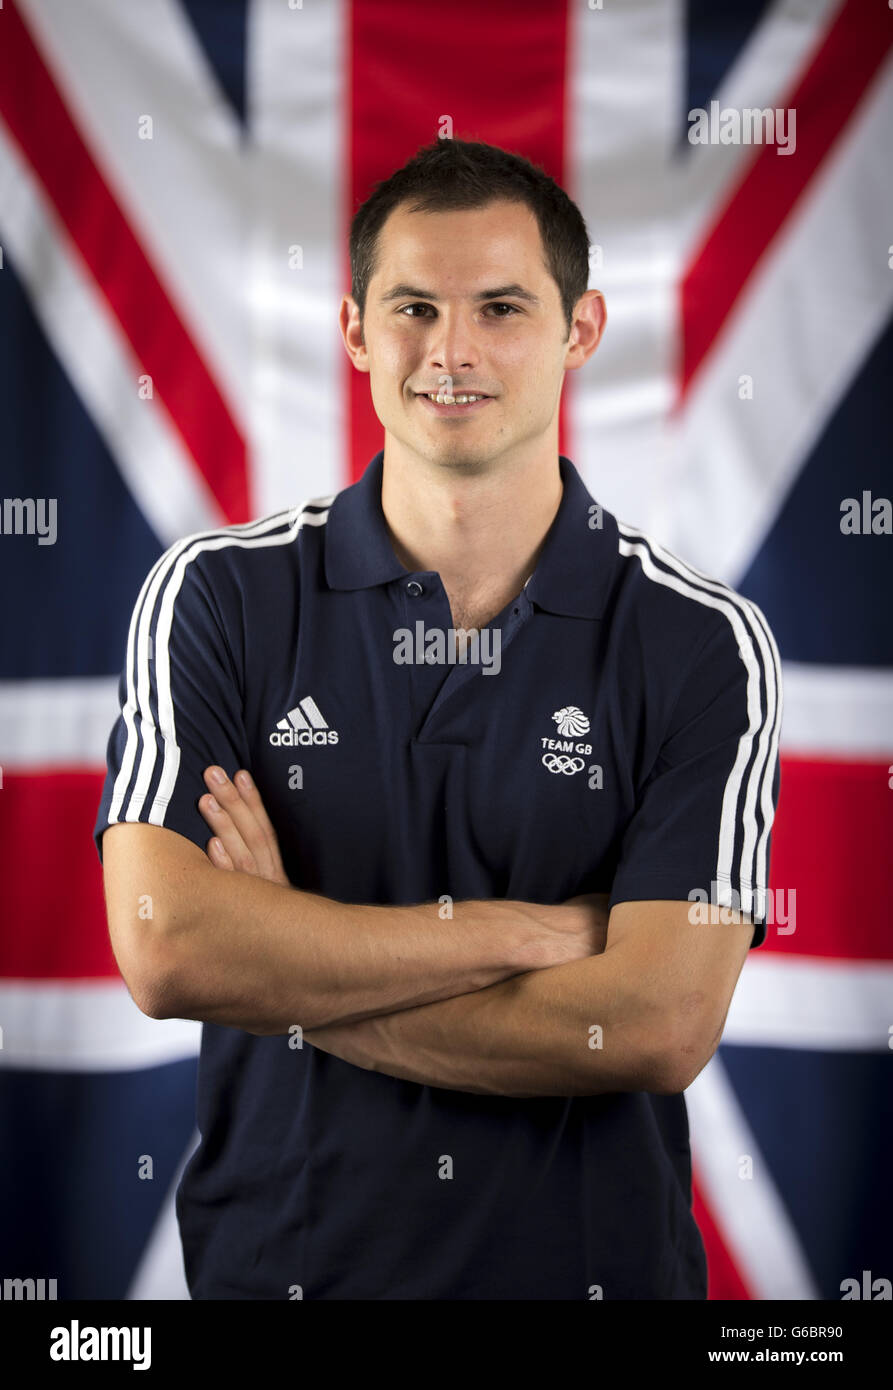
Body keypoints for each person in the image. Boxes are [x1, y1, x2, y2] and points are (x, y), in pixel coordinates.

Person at [94, 137, 781, 1300]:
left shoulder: (700, 641)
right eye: (412, 306)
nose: (451, 351)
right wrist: (528, 932)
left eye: (501, 307)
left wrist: (289, 955)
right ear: (357, 330)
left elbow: (658, 1021)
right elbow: (170, 947)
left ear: (581, 329)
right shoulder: (215, 595)